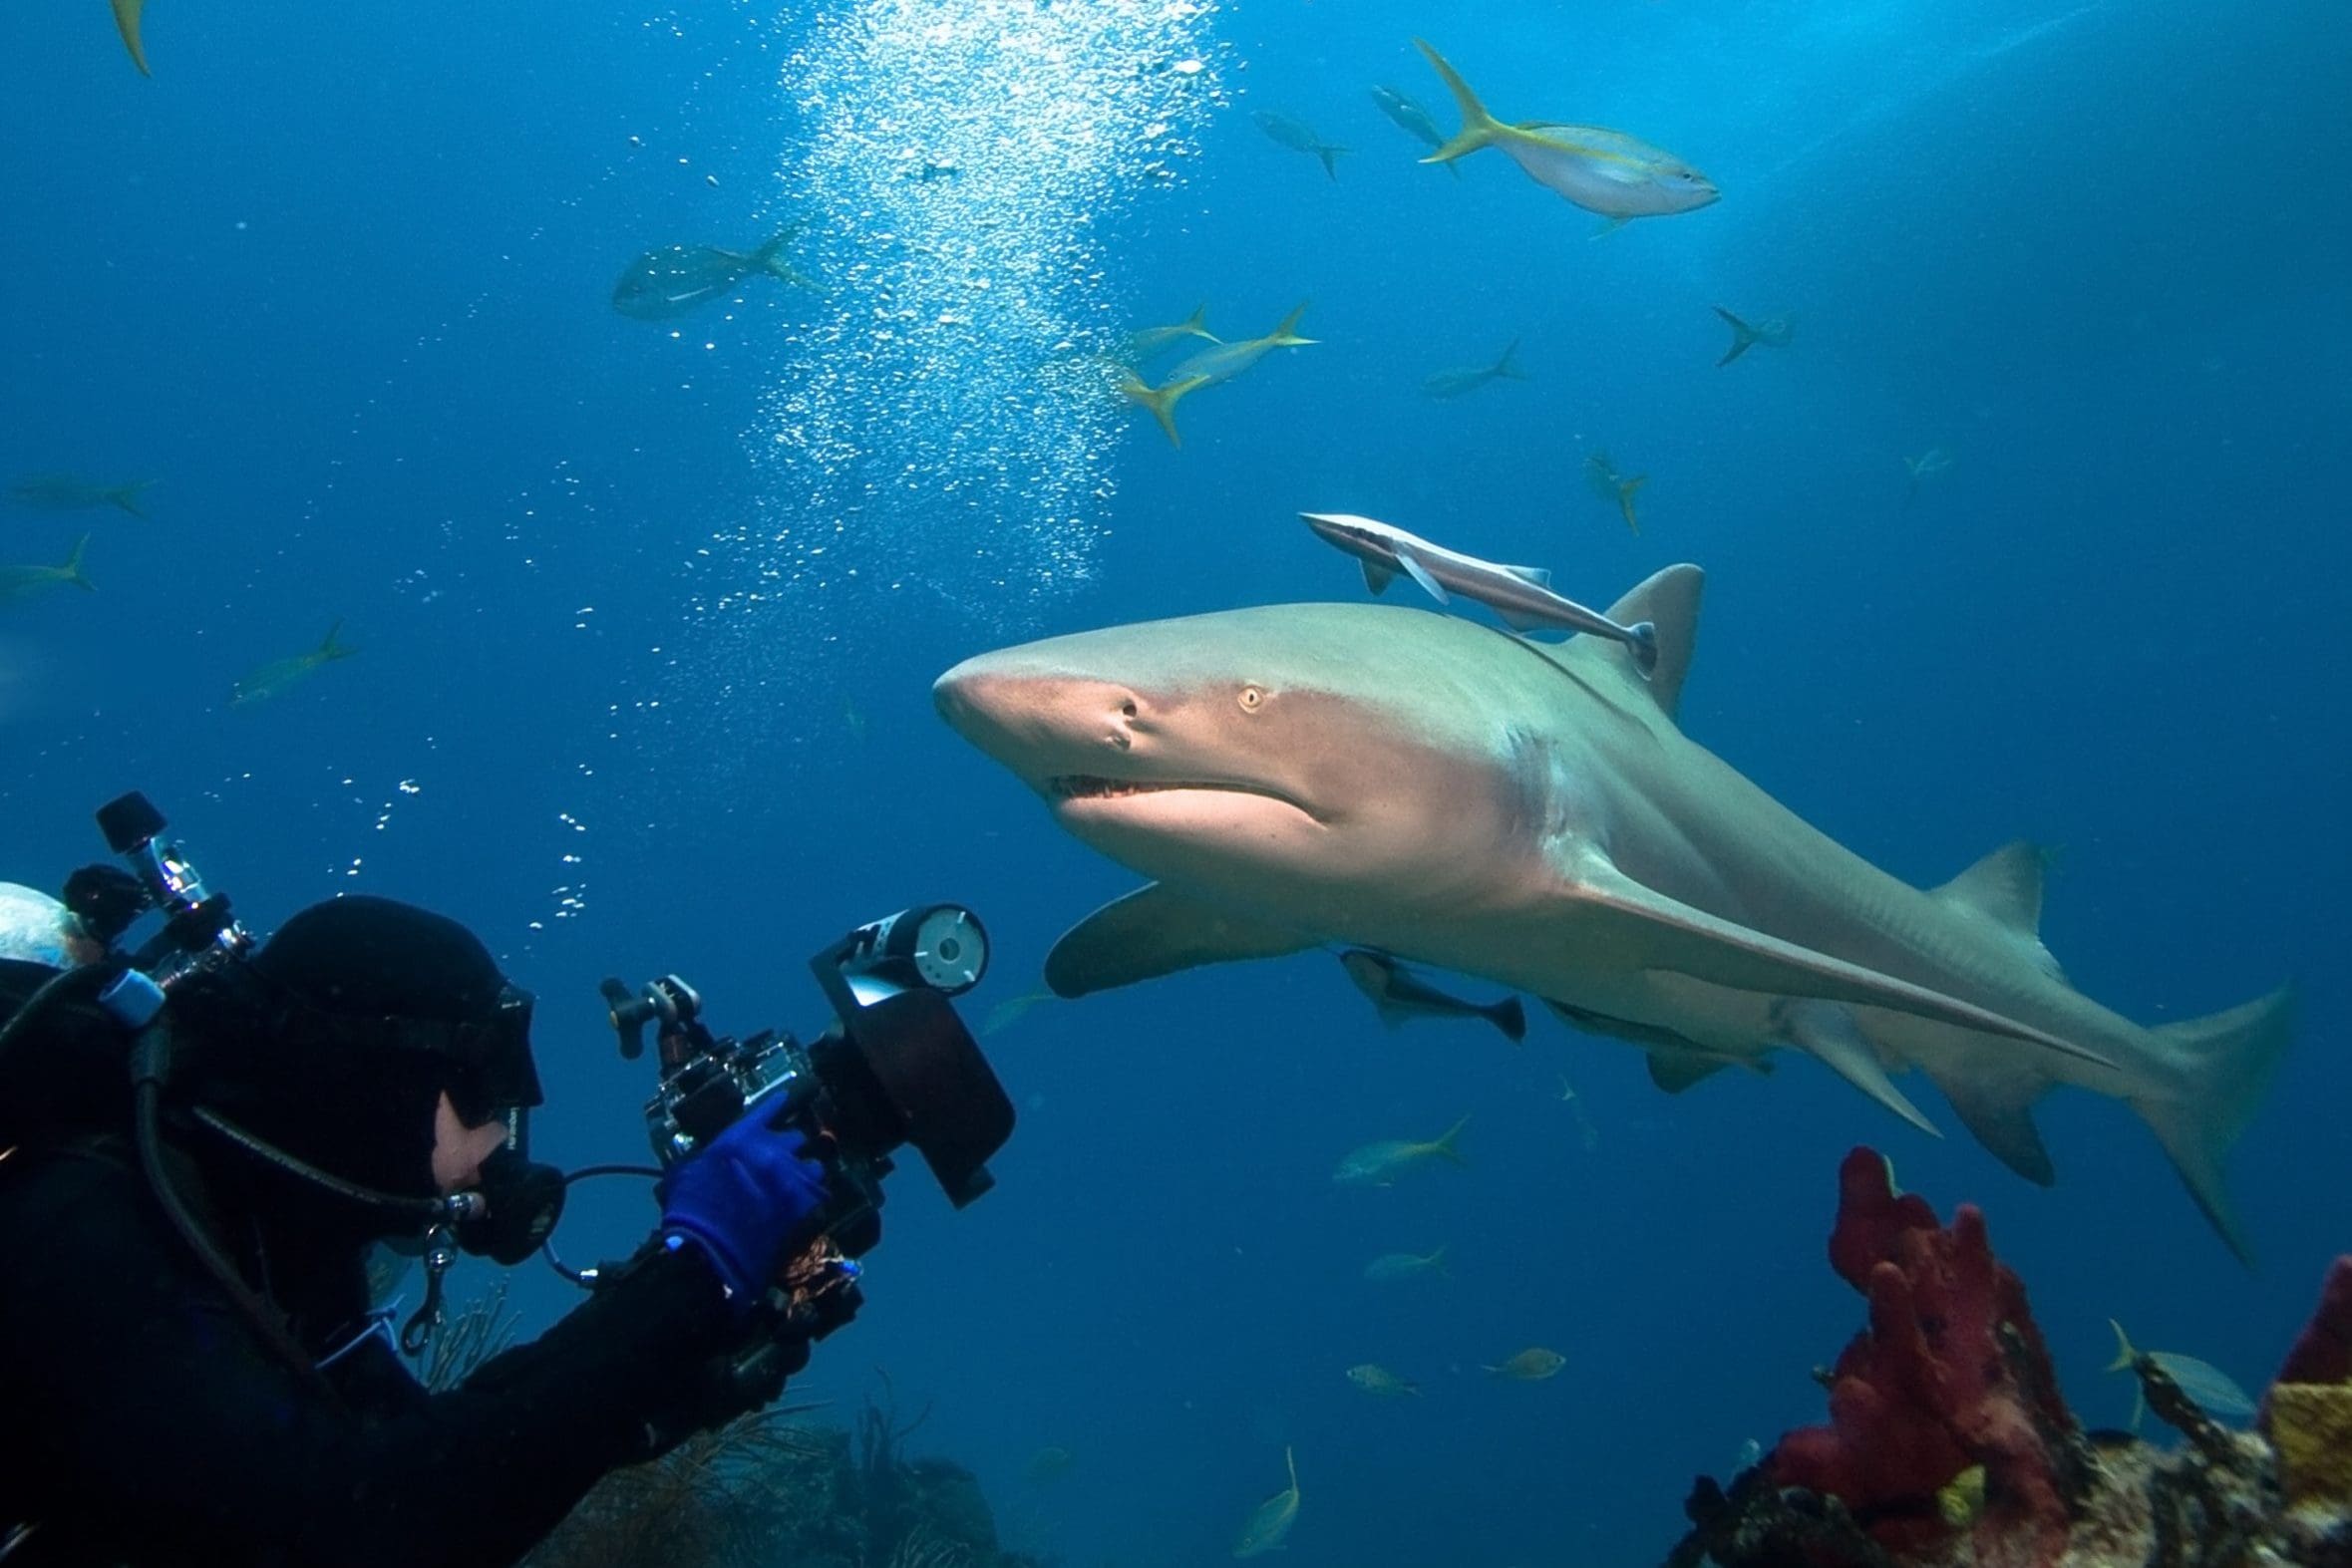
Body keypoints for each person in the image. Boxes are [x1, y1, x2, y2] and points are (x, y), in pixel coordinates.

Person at [0, 893, 836, 1568]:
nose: (500, 1134)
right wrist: (687, 1282)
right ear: (372, 1085)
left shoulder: (270, 1231)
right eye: (477, 1090)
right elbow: (366, 1529)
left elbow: (427, 1452)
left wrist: (665, 1387)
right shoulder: (84, 1228)